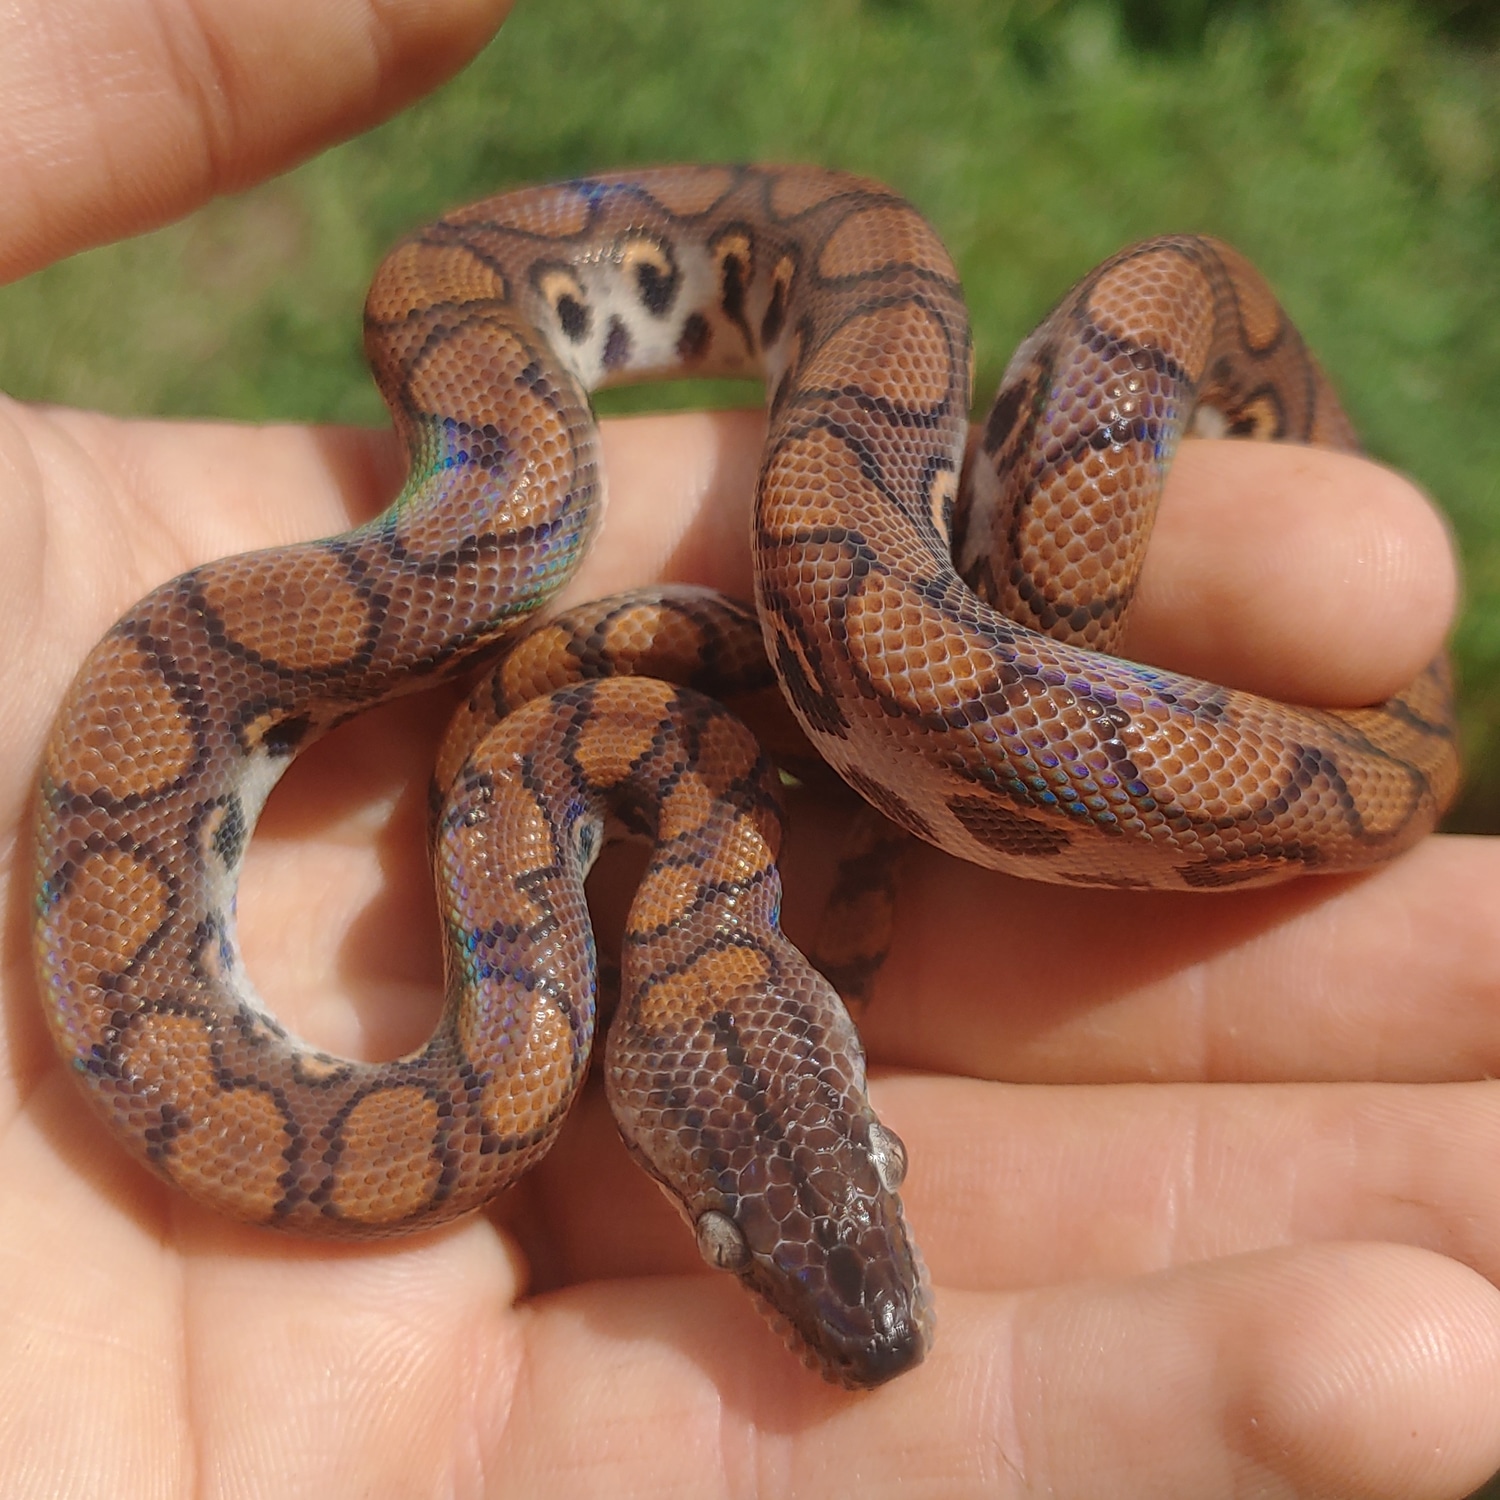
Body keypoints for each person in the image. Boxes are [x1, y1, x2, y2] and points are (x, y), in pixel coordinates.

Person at [3, 3, 1498, 1495]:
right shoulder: (534, 1024)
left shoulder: (595, 826)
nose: (864, 1299)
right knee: (527, 502)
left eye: (740, 1231)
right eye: (733, 1230)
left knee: (1122, 386)